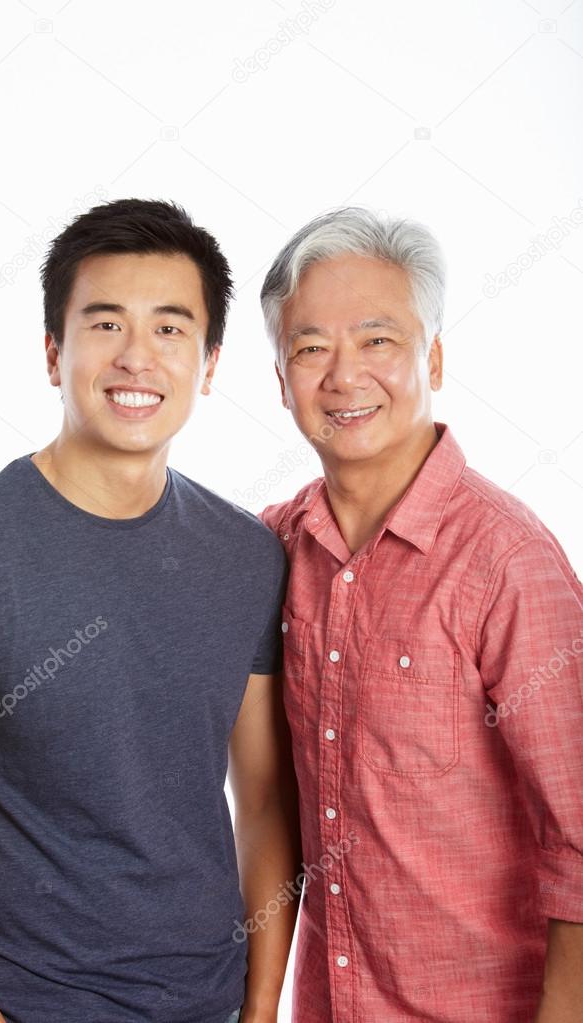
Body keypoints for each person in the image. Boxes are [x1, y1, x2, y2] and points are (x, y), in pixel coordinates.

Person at [0, 199, 300, 1023]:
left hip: (213, 1006)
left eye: (169, 329)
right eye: (106, 323)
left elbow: (261, 800)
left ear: (211, 361)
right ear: (54, 352)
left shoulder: (247, 556)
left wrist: (260, 1012)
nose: (136, 358)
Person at [255, 207, 583, 1022]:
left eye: (377, 340)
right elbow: (139, 562)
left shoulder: (508, 560)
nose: (344, 375)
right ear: (280, 379)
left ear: (432, 356)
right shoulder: (274, 549)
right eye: (309, 347)